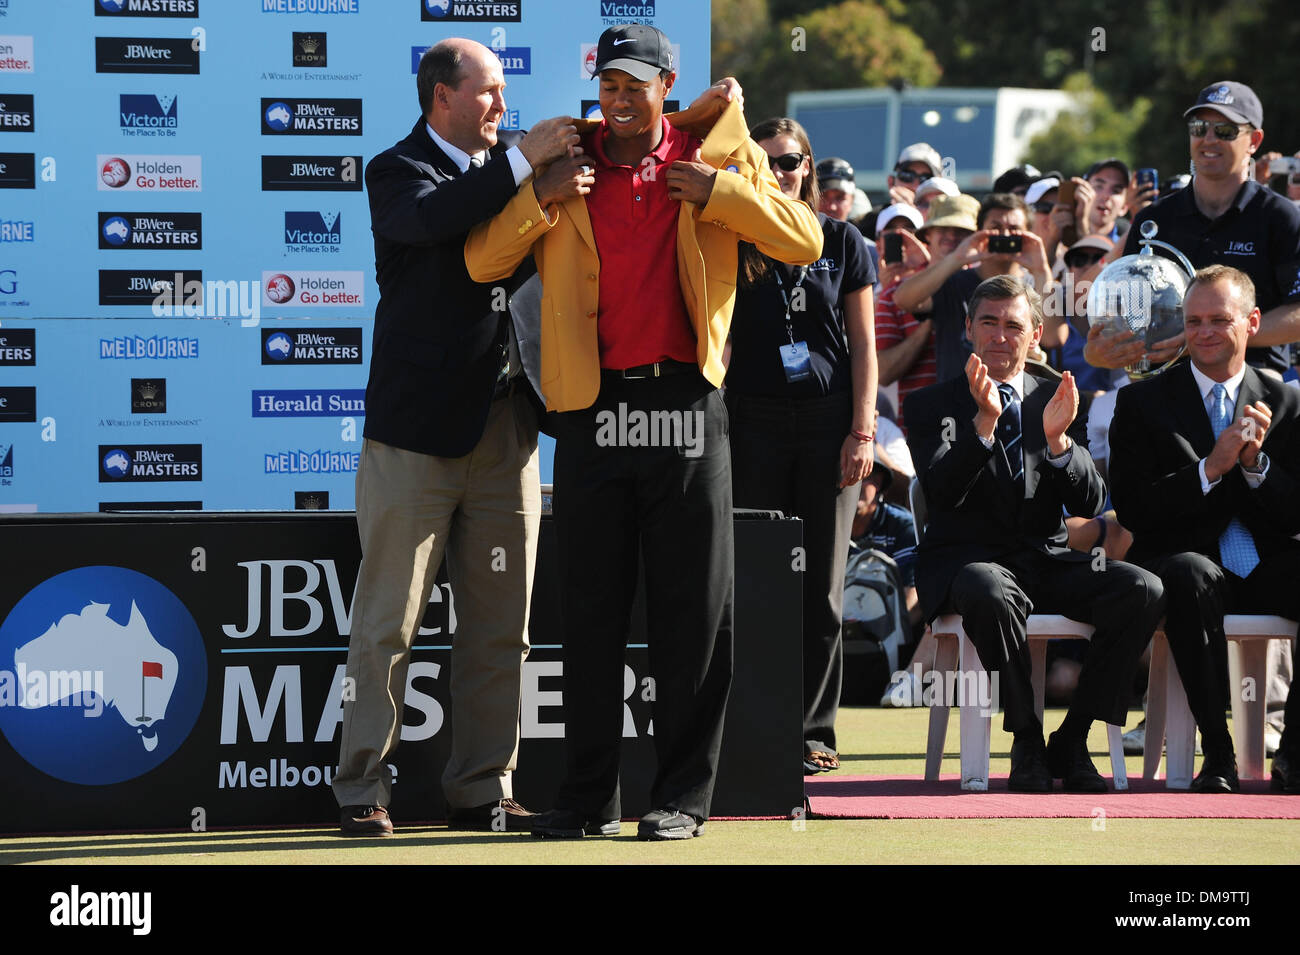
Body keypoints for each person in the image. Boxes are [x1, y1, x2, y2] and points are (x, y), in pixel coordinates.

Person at [465, 23, 823, 839]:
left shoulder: (713, 157)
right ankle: (589, 799)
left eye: (635, 84)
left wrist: (720, 193)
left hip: (687, 408)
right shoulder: (567, 159)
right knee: (589, 610)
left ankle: (681, 799)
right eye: (608, 85)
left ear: (667, 86)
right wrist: (539, 197)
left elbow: (803, 238)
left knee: (691, 612)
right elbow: (483, 260)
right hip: (594, 411)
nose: (619, 100)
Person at [332, 39, 582, 836]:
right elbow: (440, 220)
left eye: (504, 92)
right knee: (386, 624)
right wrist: (523, 171)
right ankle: (361, 788)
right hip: (414, 437)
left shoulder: (509, 165)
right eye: (488, 92)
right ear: (440, 97)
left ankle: (482, 786)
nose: (502, 106)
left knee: (502, 624)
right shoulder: (395, 170)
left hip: (508, 430)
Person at [905, 275, 1164, 792]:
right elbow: (940, 492)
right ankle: (1027, 737)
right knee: (987, 585)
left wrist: (1060, 441)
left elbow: (1090, 504)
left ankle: (1074, 736)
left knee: (1143, 588)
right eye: (989, 323)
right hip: (968, 564)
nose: (1000, 336)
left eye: (1013, 326)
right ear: (967, 329)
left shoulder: (1059, 397)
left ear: (1036, 333)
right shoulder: (930, 403)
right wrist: (982, 425)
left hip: (1045, 561)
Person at [1109, 265, 1300, 793]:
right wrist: (1209, 469)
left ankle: (1295, 754)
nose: (1205, 332)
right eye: (1194, 321)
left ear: (1253, 322)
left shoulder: (1286, 402)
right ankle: (1217, 752)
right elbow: (1132, 511)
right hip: (1184, 566)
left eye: (1219, 319)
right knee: (1191, 576)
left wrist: (1259, 468)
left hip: (1265, 564)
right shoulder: (1142, 401)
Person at [725, 116, 877, 776]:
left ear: (808, 168)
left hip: (827, 423)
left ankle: (815, 730)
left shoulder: (842, 240)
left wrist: (862, 431)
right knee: (754, 581)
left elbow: (866, 344)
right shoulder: (733, 237)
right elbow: (718, 337)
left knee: (821, 588)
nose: (779, 173)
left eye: (789, 162)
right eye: (765, 163)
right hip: (751, 420)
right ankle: (754, 722)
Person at [1090, 81, 1300, 377]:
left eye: (1225, 131)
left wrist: (1206, 338)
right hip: (1163, 381)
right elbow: (1120, 309)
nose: (1209, 139)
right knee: (1103, 417)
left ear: (1254, 140)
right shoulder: (1156, 218)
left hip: (1253, 379)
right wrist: (1099, 351)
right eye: (1199, 128)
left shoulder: (1281, 217)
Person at [894, 192, 1053, 385]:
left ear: (1028, 234)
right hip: (957, 403)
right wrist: (957, 258)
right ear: (980, 231)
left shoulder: (1038, 283)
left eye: (1014, 229)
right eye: (995, 228)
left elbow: (1054, 338)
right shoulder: (953, 283)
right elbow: (903, 300)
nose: (1004, 235)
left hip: (1018, 404)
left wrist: (1041, 270)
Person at [875, 194, 978, 431]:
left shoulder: (990, 288)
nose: (952, 237)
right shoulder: (897, 291)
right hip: (922, 426)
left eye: (960, 230)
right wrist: (929, 322)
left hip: (980, 420)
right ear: (928, 235)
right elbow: (883, 372)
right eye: (943, 229)